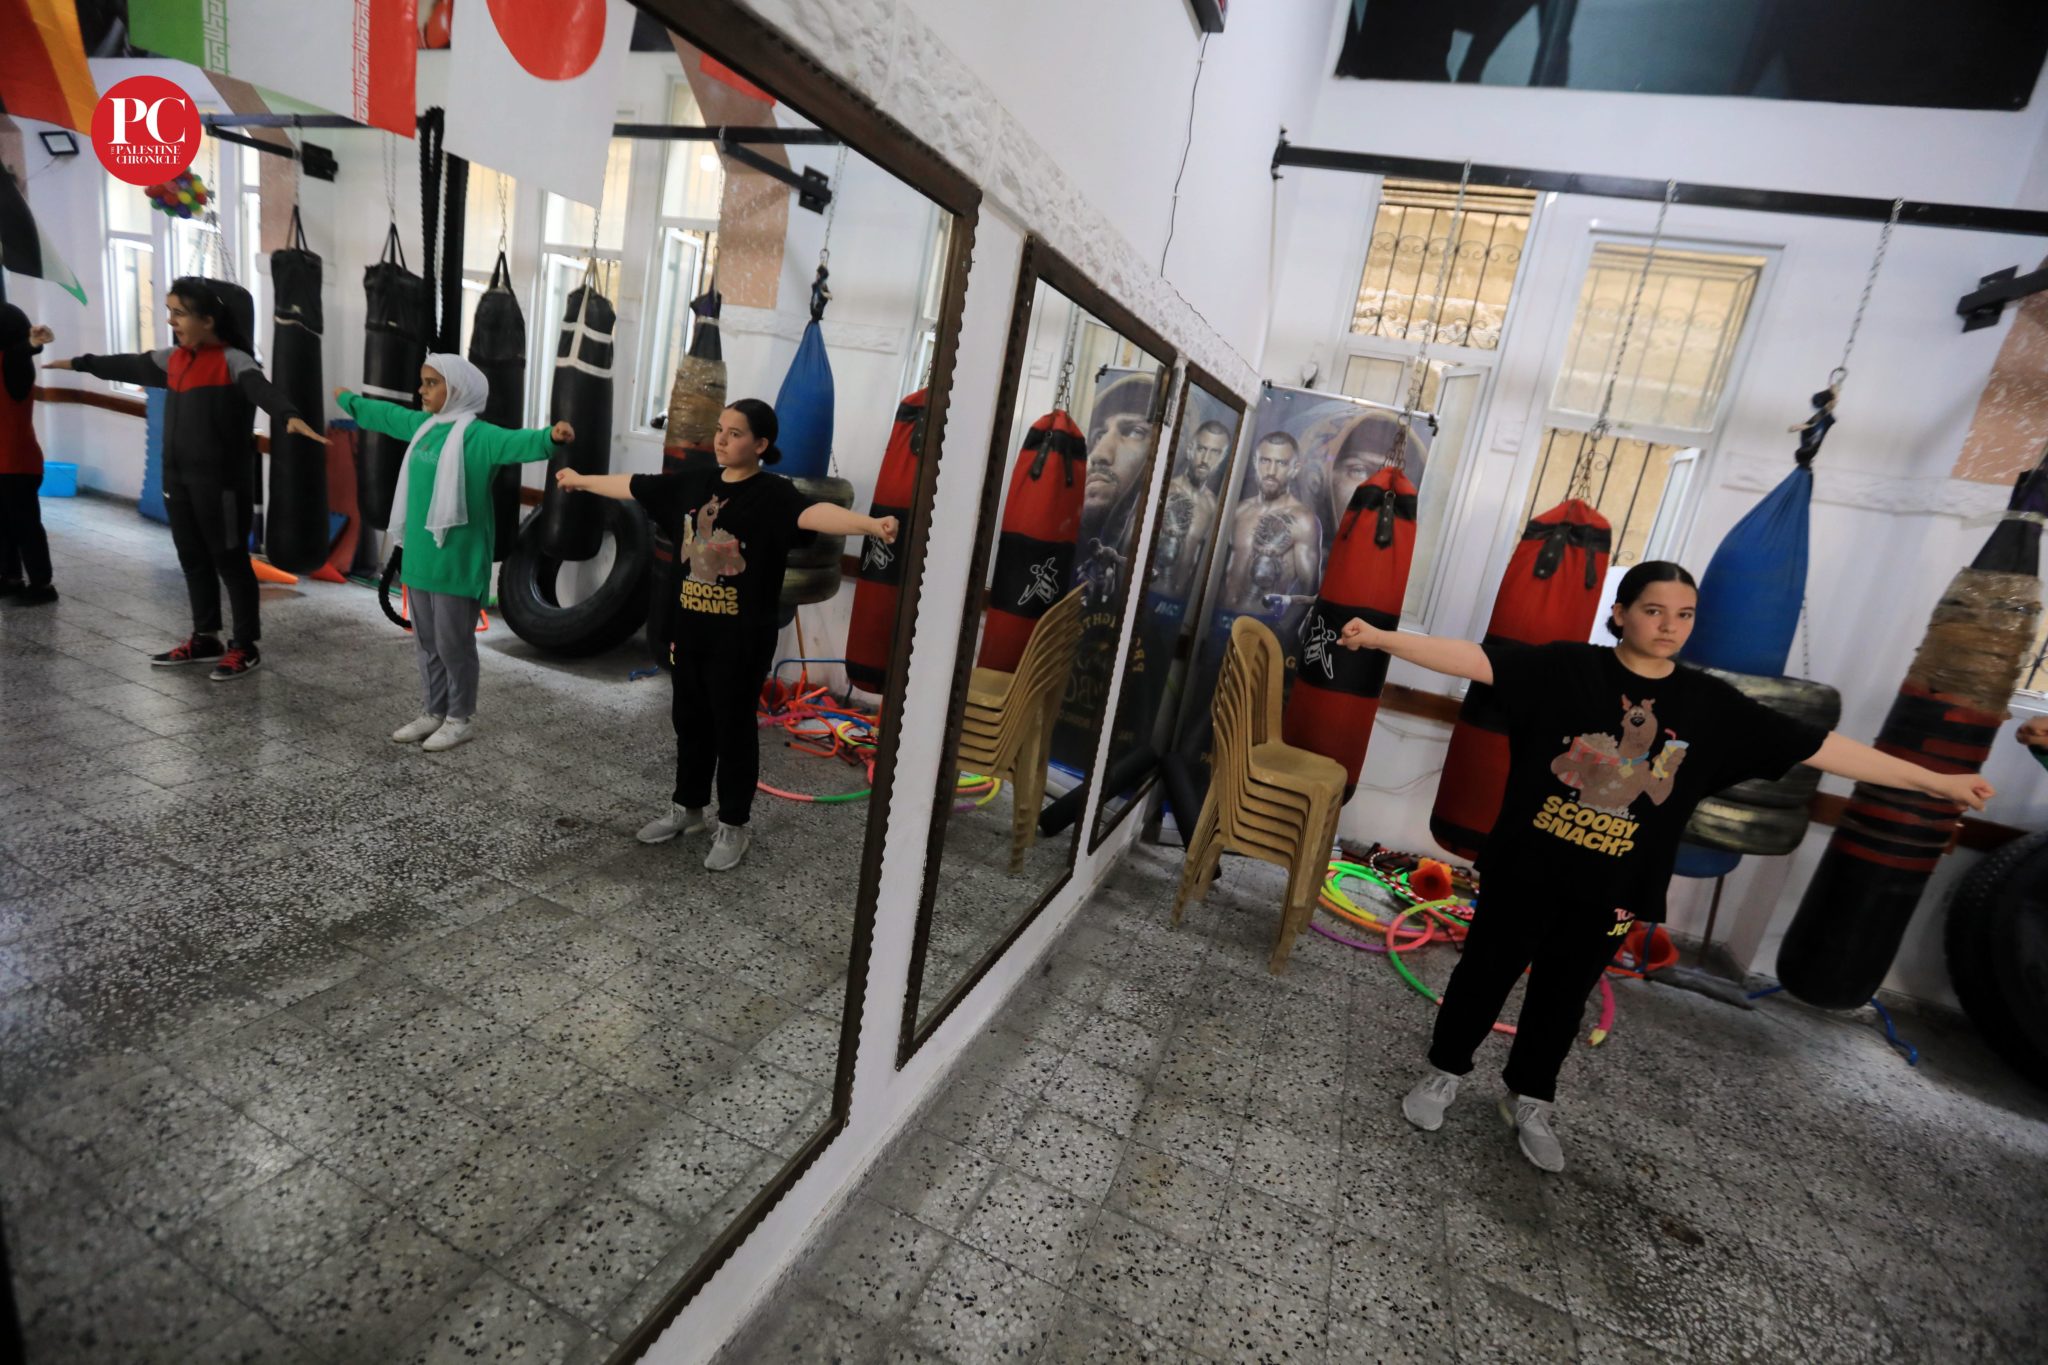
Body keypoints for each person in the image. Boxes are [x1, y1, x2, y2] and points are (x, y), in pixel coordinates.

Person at [1339, 560, 1994, 1172]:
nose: (1669, 625)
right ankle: (1445, 1072)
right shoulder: (1567, 669)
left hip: (1613, 886)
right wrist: (1381, 636)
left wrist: (1937, 782)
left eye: (1684, 614)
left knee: (1563, 999)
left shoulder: (1710, 704)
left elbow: (1821, 746)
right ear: (1620, 613)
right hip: (1526, 869)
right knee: (1483, 975)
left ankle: (1528, 1097)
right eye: (1654, 610)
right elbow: (1476, 659)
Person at [558, 399, 897, 872]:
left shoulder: (773, 495)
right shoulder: (695, 482)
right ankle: (688, 810)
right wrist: (580, 481)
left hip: (741, 641)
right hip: (690, 634)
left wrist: (871, 526)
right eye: (720, 429)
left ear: (760, 444)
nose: (721, 439)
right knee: (690, 725)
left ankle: (734, 825)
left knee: (732, 732)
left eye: (735, 433)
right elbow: (633, 486)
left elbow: (817, 516)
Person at [48, 278, 325, 679]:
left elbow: (261, 389)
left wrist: (288, 415)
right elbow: (127, 363)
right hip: (178, 481)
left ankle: (245, 647)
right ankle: (205, 637)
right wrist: (80, 363)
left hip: (222, 486)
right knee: (193, 560)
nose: (170, 320)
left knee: (230, 563)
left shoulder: (233, 361)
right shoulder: (173, 359)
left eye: (178, 312)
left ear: (208, 320)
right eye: (169, 310)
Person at [335, 357, 573, 752]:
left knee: (453, 644)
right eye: (422, 382)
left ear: (458, 391)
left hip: (457, 561)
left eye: (431, 384)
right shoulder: (424, 428)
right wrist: (352, 403)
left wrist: (552, 436)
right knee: (426, 642)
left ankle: (459, 718)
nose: (422, 391)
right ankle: (433, 711)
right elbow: (388, 416)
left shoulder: (479, 437)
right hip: (421, 560)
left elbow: (521, 443)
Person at [1220, 431, 1322, 616]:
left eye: (1281, 463)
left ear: (1295, 468)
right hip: (1219, 620)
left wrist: (1278, 635)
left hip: (1260, 625)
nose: (1271, 471)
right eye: (1265, 461)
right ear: (1255, 462)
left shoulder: (1303, 520)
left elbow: (1309, 595)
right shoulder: (1239, 510)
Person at [0, 306, 57, 606]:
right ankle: (10, 577)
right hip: (5, 463)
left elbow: (21, 353)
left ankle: (42, 584)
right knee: (5, 525)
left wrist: (34, 343)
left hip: (16, 463)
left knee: (25, 525)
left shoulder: (11, 362)